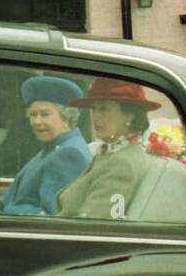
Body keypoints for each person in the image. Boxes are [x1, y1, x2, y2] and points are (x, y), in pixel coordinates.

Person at [57, 79, 159, 219]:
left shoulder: (121, 164)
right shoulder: (113, 153)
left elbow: (94, 226)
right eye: (94, 108)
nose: (96, 116)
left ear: (129, 114)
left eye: (104, 109)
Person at [0, 76, 90, 215]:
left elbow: (51, 217)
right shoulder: (52, 148)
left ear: (67, 118)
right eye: (33, 115)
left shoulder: (68, 155)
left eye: (45, 114)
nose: (36, 121)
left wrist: (3, 211)